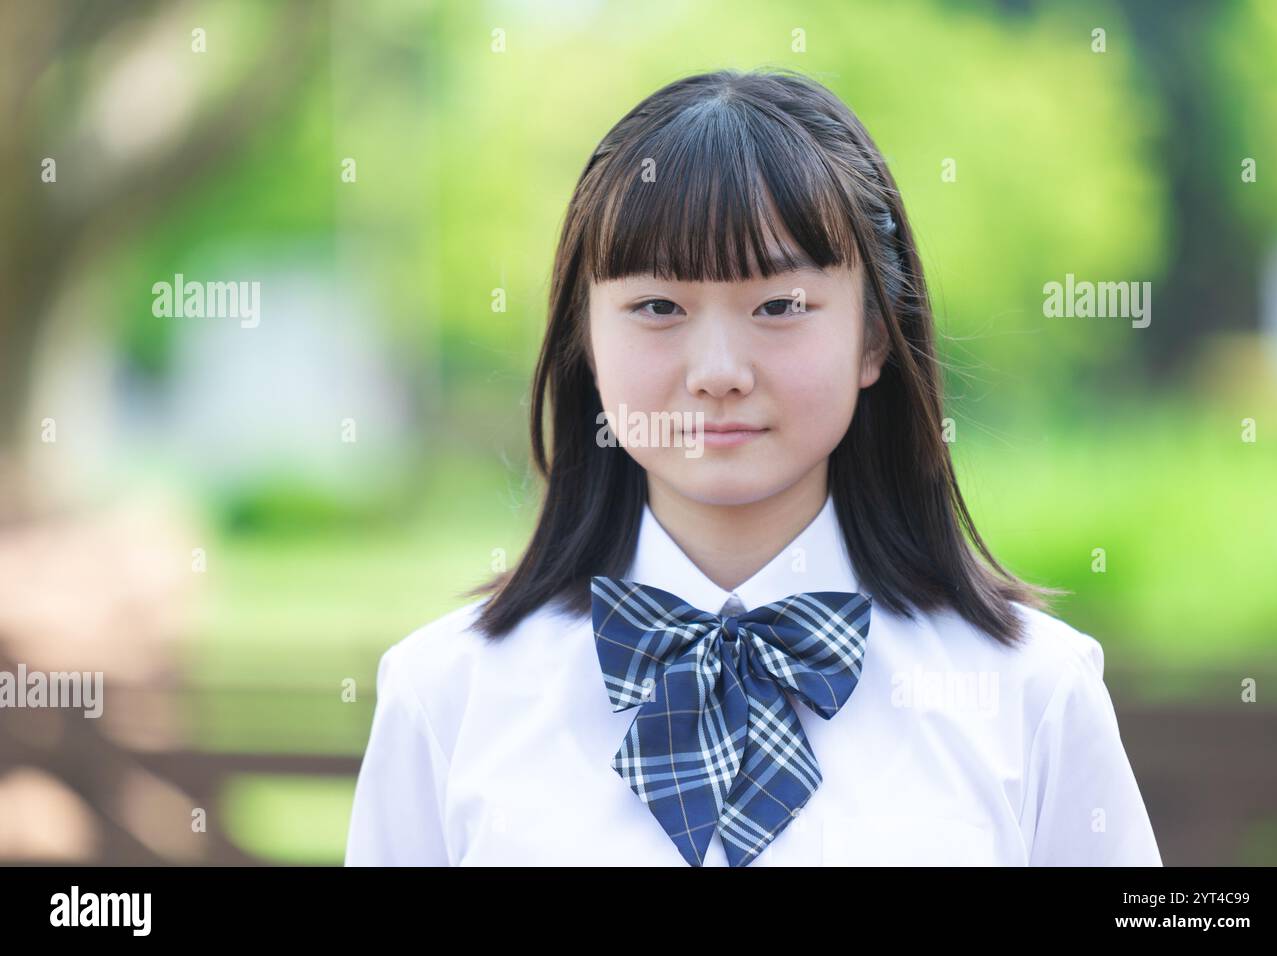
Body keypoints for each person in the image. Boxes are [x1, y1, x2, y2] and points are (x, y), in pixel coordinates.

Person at [344, 68, 1162, 867]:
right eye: (658, 307)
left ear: (874, 336)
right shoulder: (445, 694)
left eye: (780, 306)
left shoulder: (1031, 690)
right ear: (585, 341)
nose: (719, 369)